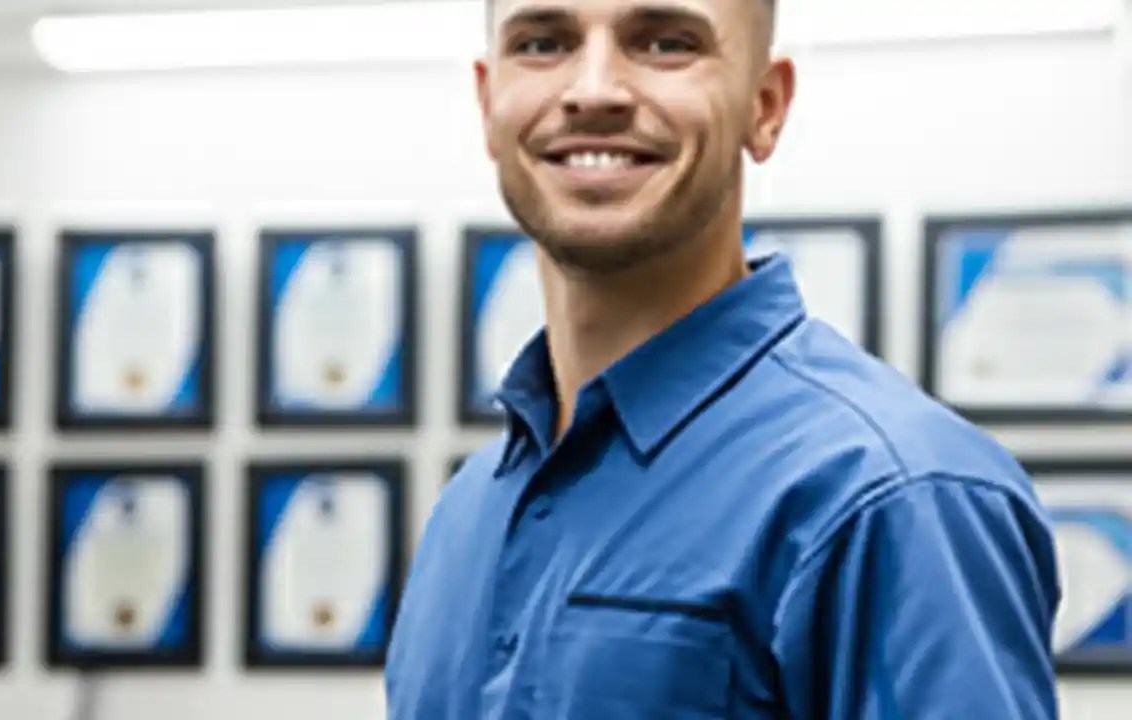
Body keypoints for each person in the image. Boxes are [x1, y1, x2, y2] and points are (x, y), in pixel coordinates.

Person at [385, 0, 1061, 717]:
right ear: (488, 102)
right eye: (543, 43)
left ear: (764, 107)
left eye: (665, 43)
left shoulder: (894, 494)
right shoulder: (469, 508)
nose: (594, 90)